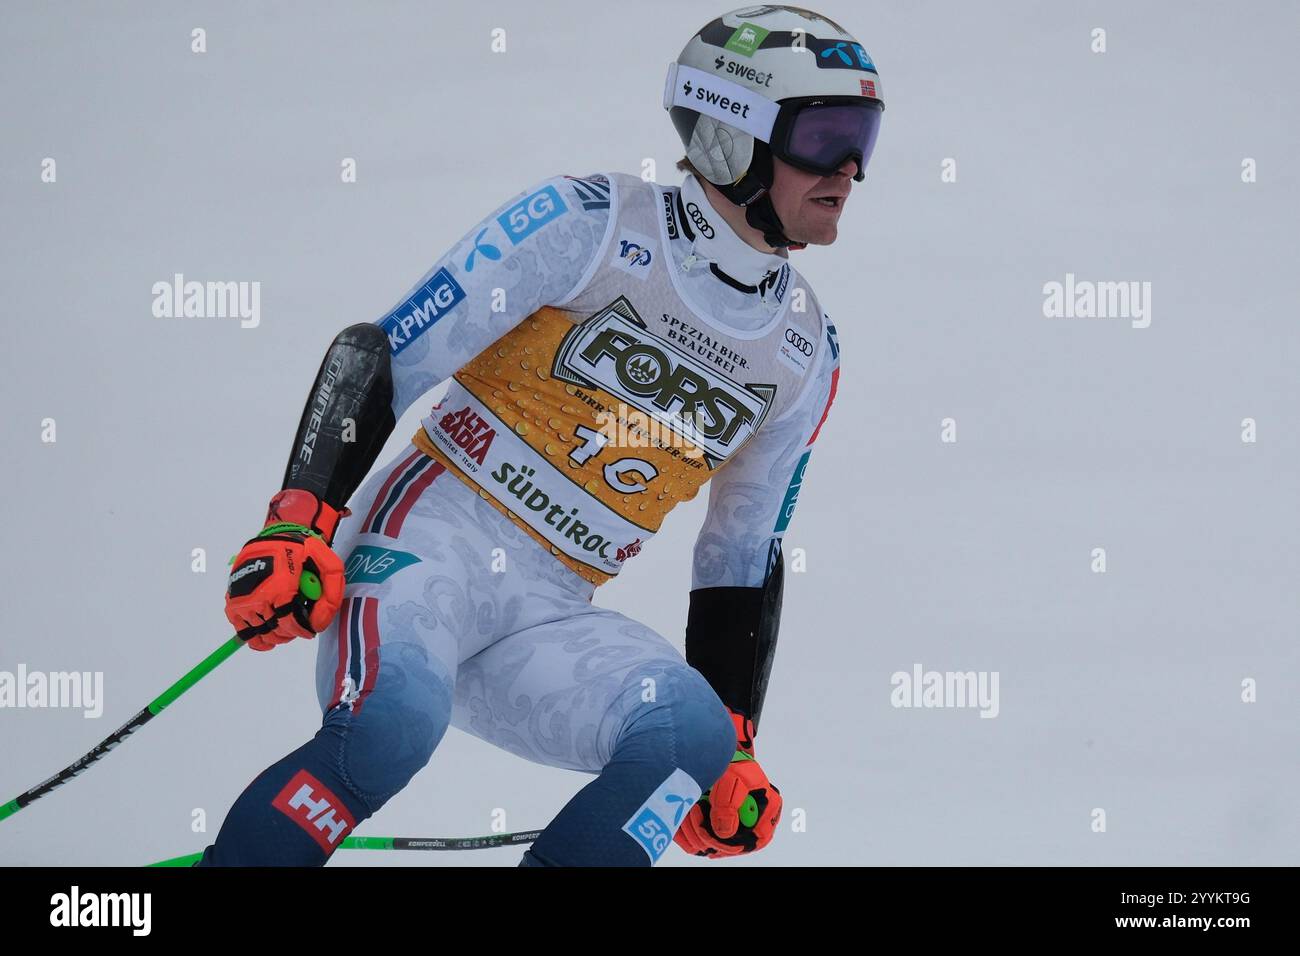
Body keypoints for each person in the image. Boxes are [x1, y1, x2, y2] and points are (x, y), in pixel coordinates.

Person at [199, 4, 883, 866]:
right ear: (729, 138)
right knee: (389, 731)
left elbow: (739, 560)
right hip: (431, 541)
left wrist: (736, 742)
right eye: (825, 135)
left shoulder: (804, 351)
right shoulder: (590, 223)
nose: (850, 168)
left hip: (551, 608)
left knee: (689, 733)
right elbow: (386, 353)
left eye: (864, 136)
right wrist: (302, 516)